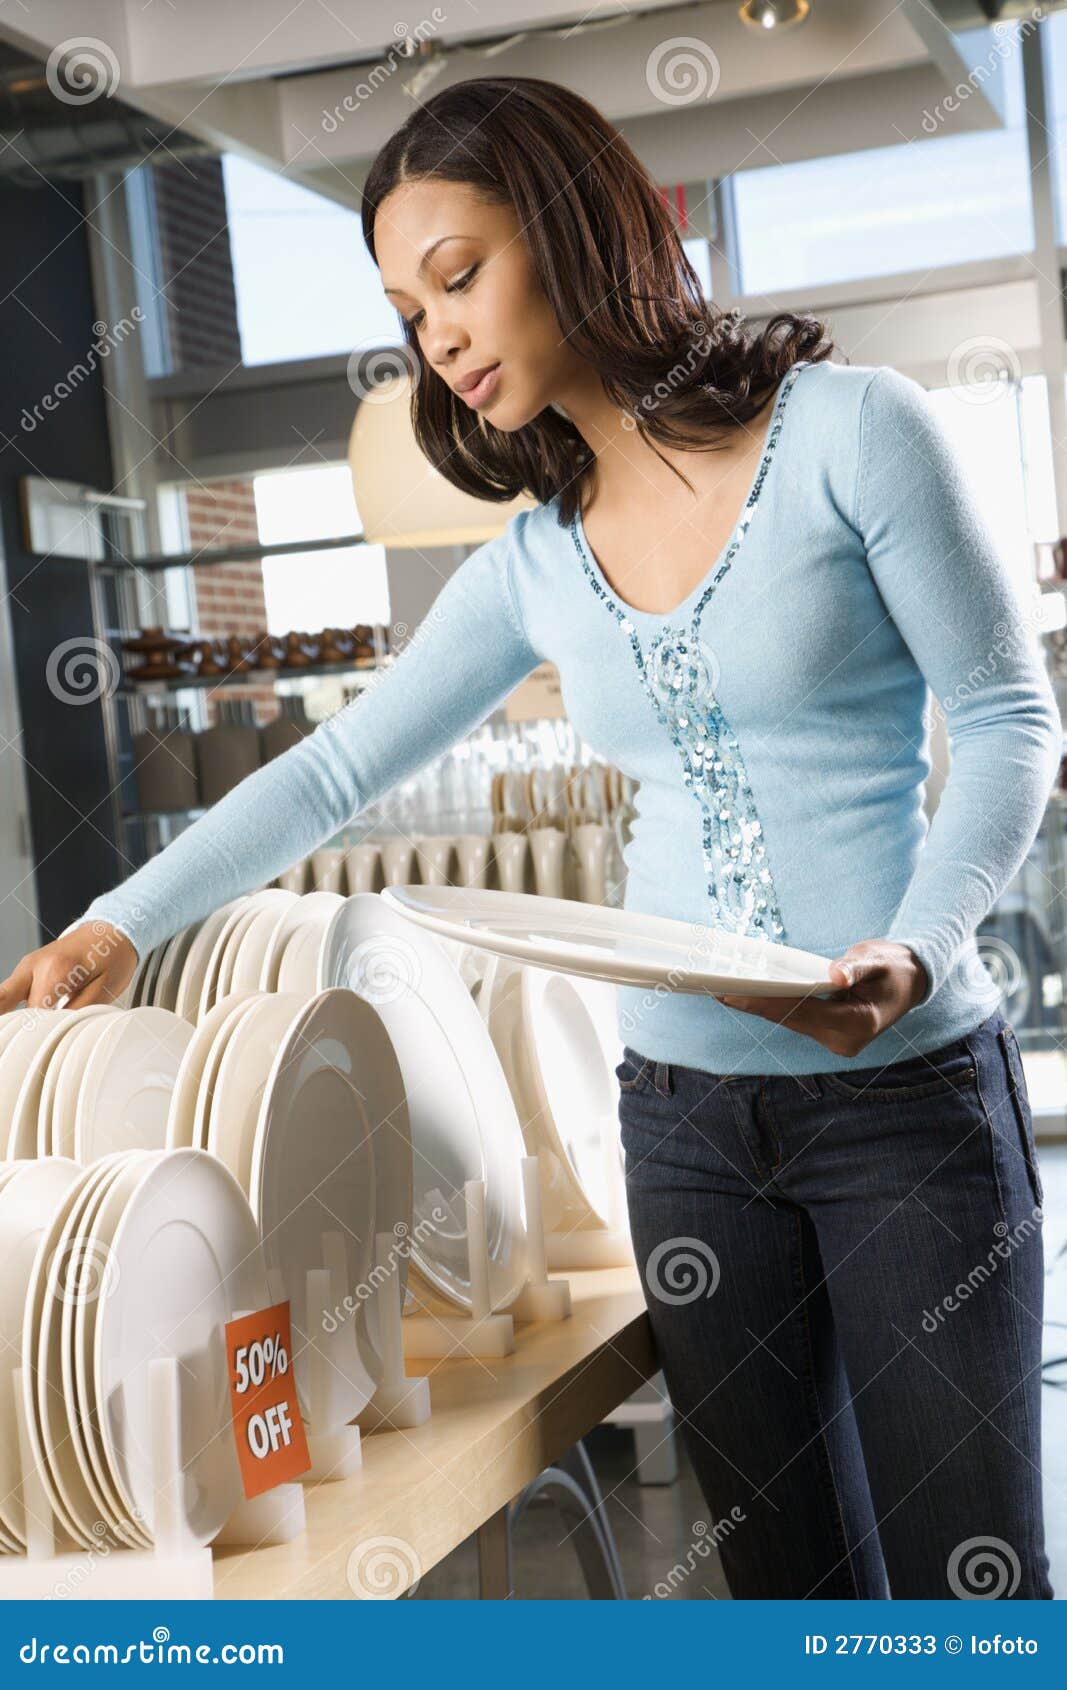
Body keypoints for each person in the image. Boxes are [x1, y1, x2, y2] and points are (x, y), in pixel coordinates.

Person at [2, 77, 1059, 1600]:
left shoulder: (855, 433)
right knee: (784, 1591)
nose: (436, 334)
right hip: (685, 1130)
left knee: (980, 1589)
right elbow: (331, 773)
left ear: (575, 230)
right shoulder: (533, 562)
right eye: (406, 306)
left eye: (460, 273)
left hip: (905, 1107)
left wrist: (920, 944)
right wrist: (115, 923)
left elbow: (1012, 719)